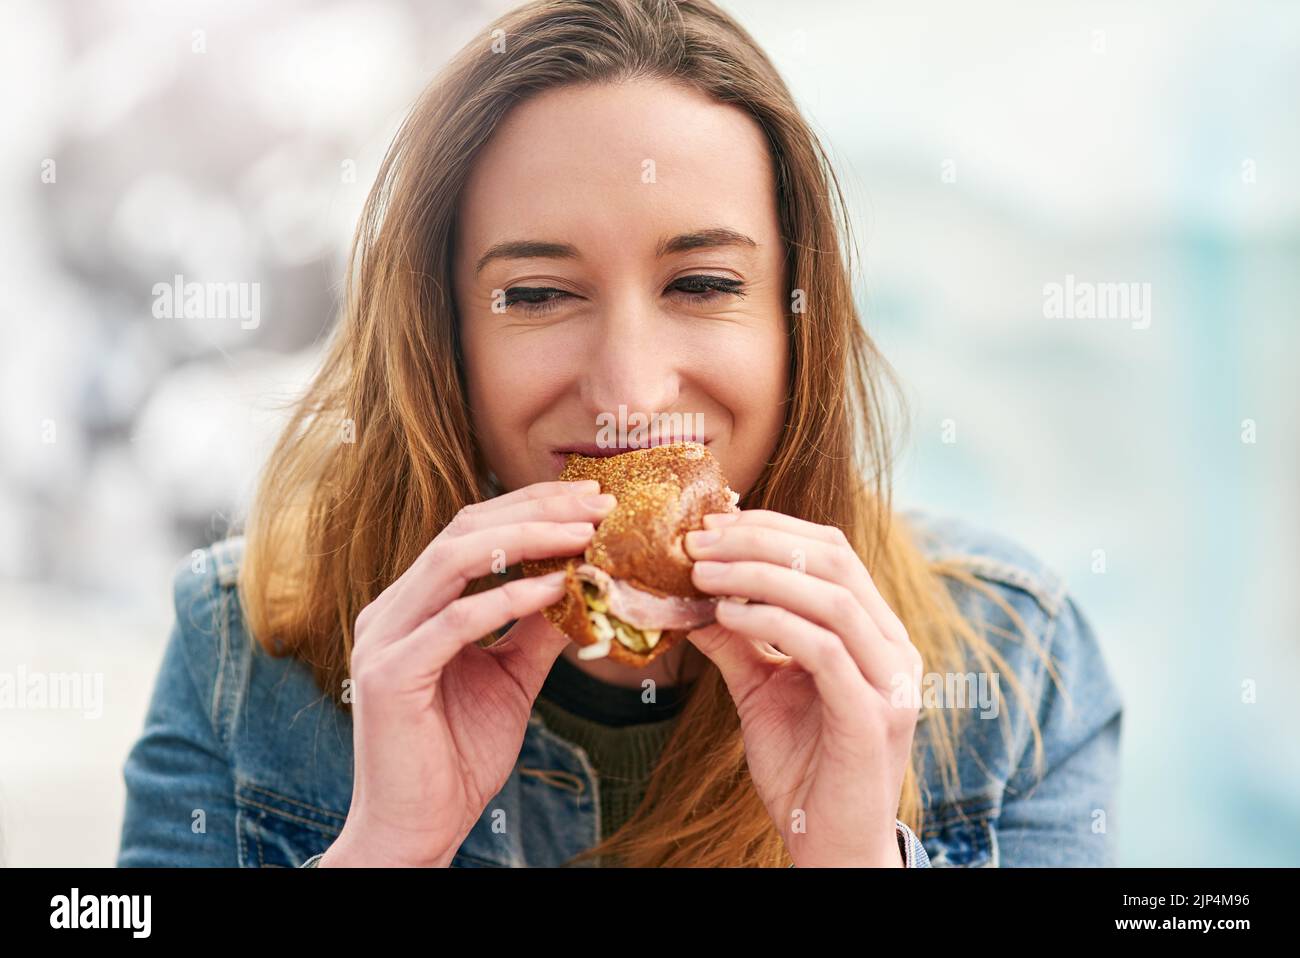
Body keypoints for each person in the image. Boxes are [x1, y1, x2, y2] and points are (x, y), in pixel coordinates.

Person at [117, 0, 1122, 868]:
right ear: (443, 336)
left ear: (794, 323)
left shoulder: (1014, 664)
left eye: (702, 284)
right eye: (540, 294)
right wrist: (387, 847)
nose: (630, 391)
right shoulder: (239, 650)